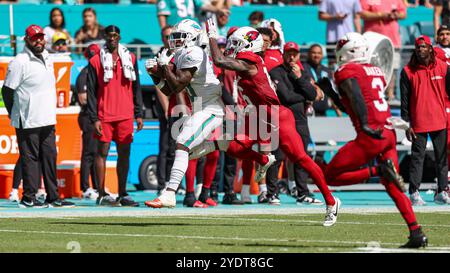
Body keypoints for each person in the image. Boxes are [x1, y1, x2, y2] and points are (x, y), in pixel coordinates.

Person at [205, 20, 341, 226]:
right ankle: (263, 159)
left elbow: (218, 59)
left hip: (275, 116)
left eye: (235, 43)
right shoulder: (251, 61)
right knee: (233, 147)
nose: (232, 47)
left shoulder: (250, 63)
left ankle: (331, 202)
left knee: (300, 158)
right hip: (256, 115)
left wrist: (212, 36)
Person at [145, 19, 275, 208]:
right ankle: (263, 159)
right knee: (204, 149)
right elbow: (168, 90)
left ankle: (170, 194)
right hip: (202, 107)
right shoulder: (181, 54)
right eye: (174, 37)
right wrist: (154, 74)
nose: (176, 41)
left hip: (211, 109)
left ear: (193, 38)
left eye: (181, 37)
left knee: (182, 142)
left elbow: (178, 84)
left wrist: (163, 68)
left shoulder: (195, 53)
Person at [324, 32, 428, 248]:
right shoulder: (375, 70)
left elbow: (356, 97)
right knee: (393, 186)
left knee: (330, 176)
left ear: (349, 51)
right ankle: (416, 232)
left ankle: (377, 170)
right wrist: (331, 94)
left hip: (372, 134)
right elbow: (351, 103)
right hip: (388, 132)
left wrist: (363, 125)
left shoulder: (346, 71)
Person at [1, 24, 75, 208]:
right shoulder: (19, 61)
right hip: (28, 119)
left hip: (47, 118)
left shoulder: (48, 56)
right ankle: (28, 197)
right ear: (27, 40)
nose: (39, 40)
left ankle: (53, 197)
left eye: (41, 37)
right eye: (35, 37)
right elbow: (7, 91)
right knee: (30, 159)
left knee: (50, 157)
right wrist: (15, 114)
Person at [86, 25, 144, 207]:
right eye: (109, 35)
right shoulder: (96, 61)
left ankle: (122, 193)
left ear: (119, 37)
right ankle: (102, 193)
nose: (112, 38)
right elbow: (91, 94)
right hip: (104, 115)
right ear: (104, 36)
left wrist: (138, 113)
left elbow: (136, 87)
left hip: (125, 114)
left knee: (124, 154)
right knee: (101, 153)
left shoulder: (130, 58)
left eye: (115, 35)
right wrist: (94, 118)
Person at [269, 41, 325, 205]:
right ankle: (272, 193)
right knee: (277, 157)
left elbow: (312, 94)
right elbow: (286, 97)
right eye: (288, 53)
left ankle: (303, 193)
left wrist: (300, 78)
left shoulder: (303, 73)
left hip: (300, 120)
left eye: (294, 53)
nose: (291, 56)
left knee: (302, 157)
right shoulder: (276, 72)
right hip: (280, 119)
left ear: (299, 55)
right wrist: (305, 96)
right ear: (283, 54)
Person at [400, 35, 450, 205]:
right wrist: (407, 124)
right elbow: (404, 101)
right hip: (418, 123)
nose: (420, 49)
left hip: (440, 120)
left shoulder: (444, 68)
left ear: (430, 48)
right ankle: (414, 193)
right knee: (417, 159)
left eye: (423, 46)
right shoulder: (407, 71)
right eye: (418, 47)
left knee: (442, 158)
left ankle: (441, 191)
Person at [360, 0, 406, 101]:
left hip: (393, 41)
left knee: (392, 69)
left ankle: (390, 97)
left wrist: (395, 15)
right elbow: (362, 14)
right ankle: (373, 96)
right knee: (370, 68)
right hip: (372, 42)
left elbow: (403, 13)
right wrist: (381, 15)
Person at [75, 43, 101, 200]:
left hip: (95, 116)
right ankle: (85, 187)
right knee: (88, 153)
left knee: (96, 153)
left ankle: (97, 186)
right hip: (88, 117)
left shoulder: (97, 73)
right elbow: (83, 99)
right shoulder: (84, 74)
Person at [318, 0, 361, 68]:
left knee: (350, 62)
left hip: (349, 38)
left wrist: (359, 35)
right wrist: (335, 17)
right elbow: (320, 15)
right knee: (332, 64)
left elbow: (357, 18)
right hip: (332, 37)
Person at [302, 44, 340, 116]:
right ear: (309, 54)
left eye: (319, 53)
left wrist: (337, 111)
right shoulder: (303, 69)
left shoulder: (326, 70)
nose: (316, 55)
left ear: (322, 55)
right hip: (308, 112)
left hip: (323, 112)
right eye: (314, 53)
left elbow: (330, 91)